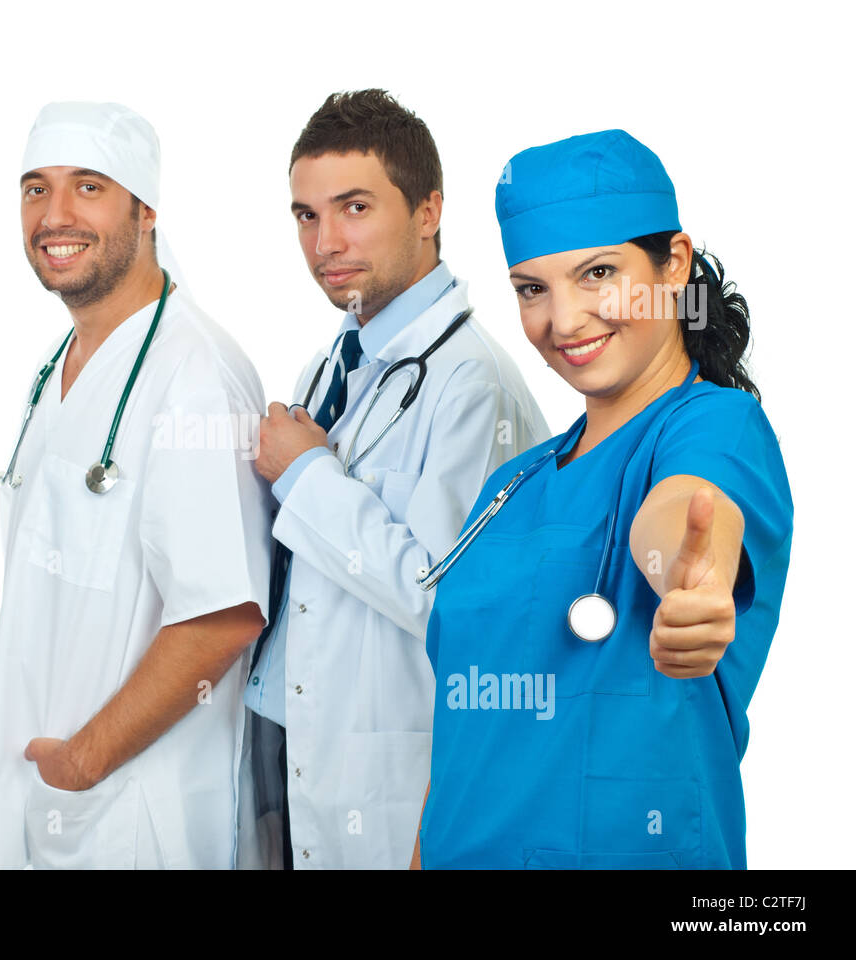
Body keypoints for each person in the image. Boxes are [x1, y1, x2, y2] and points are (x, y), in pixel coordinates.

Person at [413, 129, 793, 869]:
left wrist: (695, 580)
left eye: (598, 274)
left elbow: (683, 514)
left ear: (673, 264)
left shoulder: (712, 424)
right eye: (532, 289)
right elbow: (462, 732)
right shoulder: (511, 484)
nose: (564, 321)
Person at [242, 89, 548, 869]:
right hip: (296, 746)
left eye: (353, 207)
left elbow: (457, 600)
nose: (325, 242)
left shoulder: (474, 386)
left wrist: (308, 475)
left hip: (392, 784)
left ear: (428, 210)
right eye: (306, 215)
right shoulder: (334, 362)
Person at [0, 102, 271, 869]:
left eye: (88, 188)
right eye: (35, 189)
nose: (54, 215)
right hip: (43, 786)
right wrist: (12, 684)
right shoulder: (60, 365)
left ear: (146, 210)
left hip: (134, 815)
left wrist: (84, 761)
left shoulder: (194, 375)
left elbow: (222, 617)